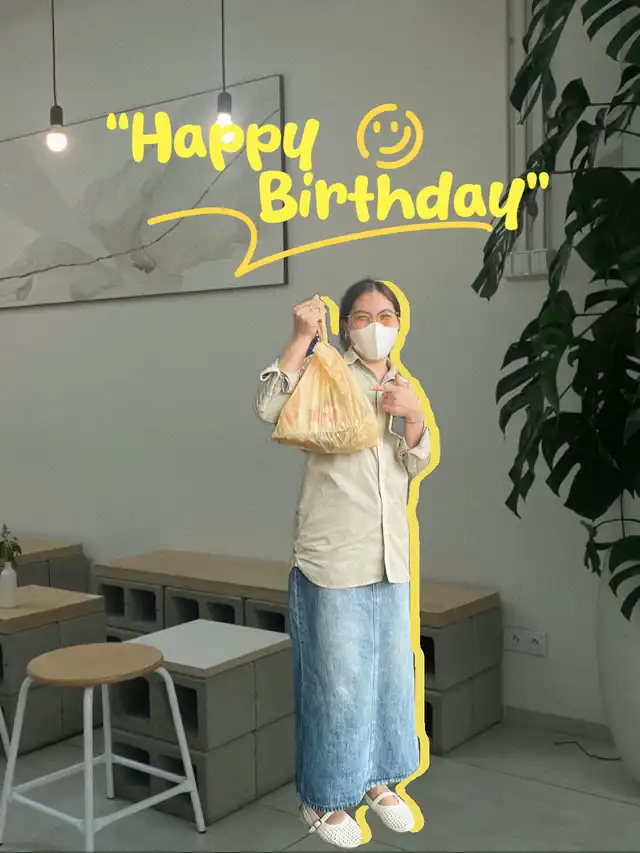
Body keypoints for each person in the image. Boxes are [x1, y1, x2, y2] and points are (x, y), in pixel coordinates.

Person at [254, 278, 431, 849]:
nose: (375, 326)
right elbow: (268, 408)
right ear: (347, 326)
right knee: (336, 681)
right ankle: (324, 797)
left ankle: (378, 780)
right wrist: (300, 338)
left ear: (399, 323)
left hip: (390, 554)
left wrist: (414, 417)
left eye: (386, 315)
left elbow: (413, 464)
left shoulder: (404, 385)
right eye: (361, 316)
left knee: (387, 679)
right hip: (332, 553)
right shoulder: (326, 370)